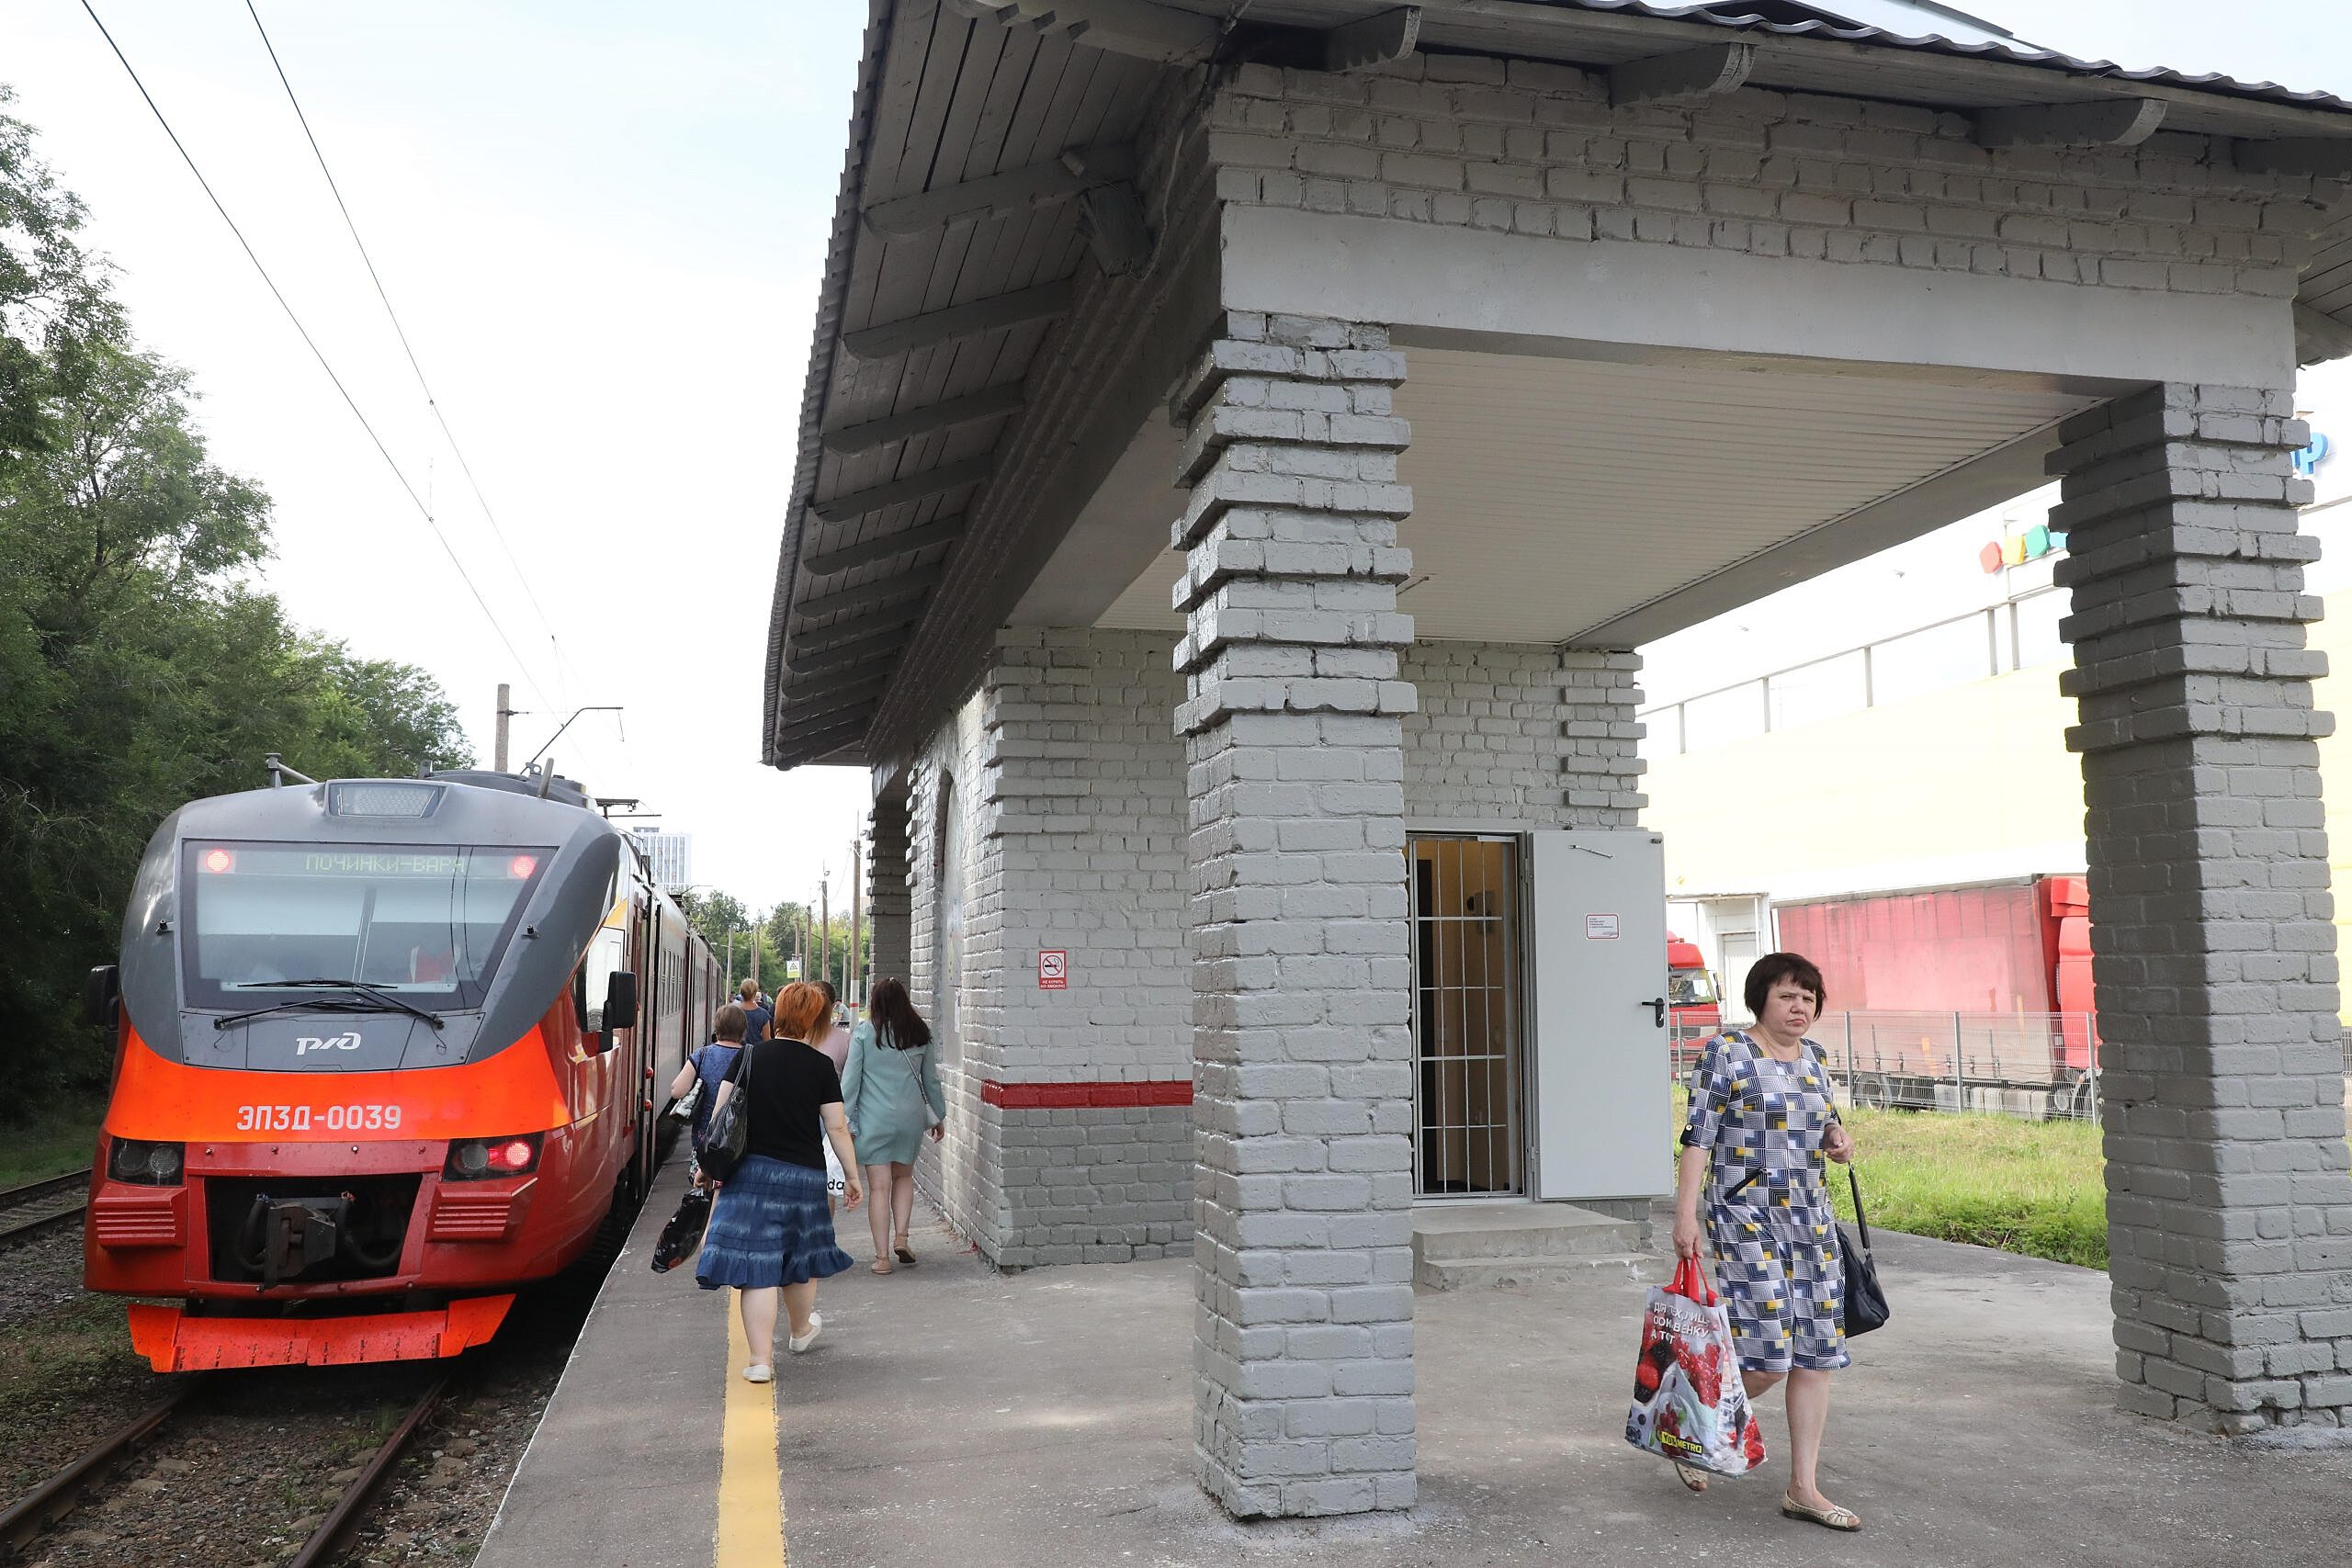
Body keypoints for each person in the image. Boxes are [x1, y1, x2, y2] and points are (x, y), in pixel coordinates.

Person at [1670, 952, 1860, 1530]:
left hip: (1810, 1221)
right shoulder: (1725, 1054)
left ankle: (1803, 1487)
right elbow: (1698, 1138)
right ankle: (1693, 1421)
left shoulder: (1816, 1059)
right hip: (1744, 1218)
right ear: (1761, 1000)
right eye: (1787, 995)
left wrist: (1838, 1138)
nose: (1799, 1006)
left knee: (1816, 1351)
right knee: (1771, 1353)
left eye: (1808, 997)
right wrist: (1686, 1216)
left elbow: (1822, 1121)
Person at [695, 982, 863, 1380]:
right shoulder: (820, 1066)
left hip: (750, 1176)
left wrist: (708, 1165)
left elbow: (720, 1119)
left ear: (778, 1014)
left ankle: (759, 1361)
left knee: (758, 1270)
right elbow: (837, 1127)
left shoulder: (750, 1057)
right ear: (814, 1021)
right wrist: (852, 1176)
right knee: (800, 1260)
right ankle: (801, 1331)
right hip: (803, 1178)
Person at [840, 976, 944, 1275]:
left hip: (875, 1121)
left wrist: (843, 1121)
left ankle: (882, 1258)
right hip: (910, 1119)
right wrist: (939, 1116)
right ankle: (902, 1237)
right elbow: (931, 1081)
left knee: (880, 1187)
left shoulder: (863, 1034)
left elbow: (851, 1082)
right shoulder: (919, 1033)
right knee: (903, 1179)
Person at [667, 1003, 747, 1185]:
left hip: (705, 1142)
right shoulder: (750, 1056)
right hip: (739, 1144)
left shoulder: (702, 1055)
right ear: (743, 1030)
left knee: (703, 1190)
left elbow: (676, 1091)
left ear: (717, 1028)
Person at [808, 981, 854, 1209]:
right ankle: (823, 1234)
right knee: (825, 1179)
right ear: (834, 1006)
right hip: (831, 1117)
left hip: (801, 1116)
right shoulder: (844, 1040)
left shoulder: (796, 1036)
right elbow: (849, 1083)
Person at [737, 978, 772, 1045]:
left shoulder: (733, 1012)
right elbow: (767, 1040)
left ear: (741, 992)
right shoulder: (763, 1014)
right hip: (756, 1052)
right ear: (755, 993)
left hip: (737, 1052)